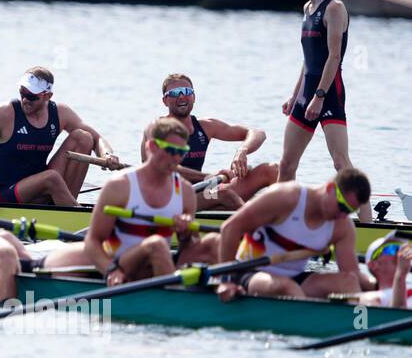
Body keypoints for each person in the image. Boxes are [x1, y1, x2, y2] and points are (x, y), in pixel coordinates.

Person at [42, 117, 217, 285]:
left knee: (213, 242)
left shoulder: (185, 191)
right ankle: (175, 298)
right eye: (171, 150)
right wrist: (111, 270)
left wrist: (185, 233)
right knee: (156, 245)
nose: (176, 158)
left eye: (181, 152)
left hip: (157, 261)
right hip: (120, 261)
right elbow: (92, 242)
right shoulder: (120, 186)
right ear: (152, 146)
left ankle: (230, 287)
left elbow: (188, 245)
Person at [278, 0, 369, 221]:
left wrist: (319, 96)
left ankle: (369, 224)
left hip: (328, 95)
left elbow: (334, 56)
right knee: (286, 164)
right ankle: (282, 220)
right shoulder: (307, 8)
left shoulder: (335, 9)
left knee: (341, 163)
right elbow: (309, 60)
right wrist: (295, 95)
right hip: (306, 94)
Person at [0, 66, 120, 207]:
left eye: (32, 96)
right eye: (22, 93)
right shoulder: (3, 114)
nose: (25, 99)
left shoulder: (60, 113)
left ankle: (66, 207)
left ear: (48, 96)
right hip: (6, 194)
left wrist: (107, 155)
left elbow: (98, 139)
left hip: (41, 185)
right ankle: (76, 213)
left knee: (83, 137)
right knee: (52, 178)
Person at [213, 168, 370, 301]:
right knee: (287, 287)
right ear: (330, 188)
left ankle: (360, 326)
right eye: (342, 207)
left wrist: (383, 285)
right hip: (249, 273)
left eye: (350, 211)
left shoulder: (342, 227)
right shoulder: (286, 197)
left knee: (348, 283)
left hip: (297, 278)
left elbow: (352, 273)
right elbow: (230, 228)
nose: (343, 216)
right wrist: (226, 281)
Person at [153, 73, 277, 208]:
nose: (182, 96)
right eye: (175, 93)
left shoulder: (205, 126)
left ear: (193, 97)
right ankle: (251, 221)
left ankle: (289, 216)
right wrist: (209, 176)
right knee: (224, 193)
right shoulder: (158, 130)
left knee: (271, 170)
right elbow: (166, 168)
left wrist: (242, 151)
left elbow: (258, 133)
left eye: (187, 91)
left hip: (203, 191)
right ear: (165, 100)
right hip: (170, 198)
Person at [355, 236, 412, 308]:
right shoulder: (369, 298)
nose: (399, 253)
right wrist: (401, 274)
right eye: (391, 248)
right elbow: (394, 316)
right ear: (373, 265)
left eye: (399, 248)